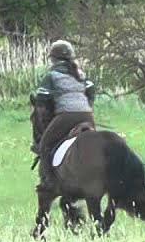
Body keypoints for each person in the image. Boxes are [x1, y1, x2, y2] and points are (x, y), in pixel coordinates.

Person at [30, 39, 97, 193]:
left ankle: (48, 182)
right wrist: (88, 108)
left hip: (66, 116)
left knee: (45, 145)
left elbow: (41, 101)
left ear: (53, 59)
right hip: (88, 117)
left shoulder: (52, 76)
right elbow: (91, 91)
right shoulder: (81, 75)